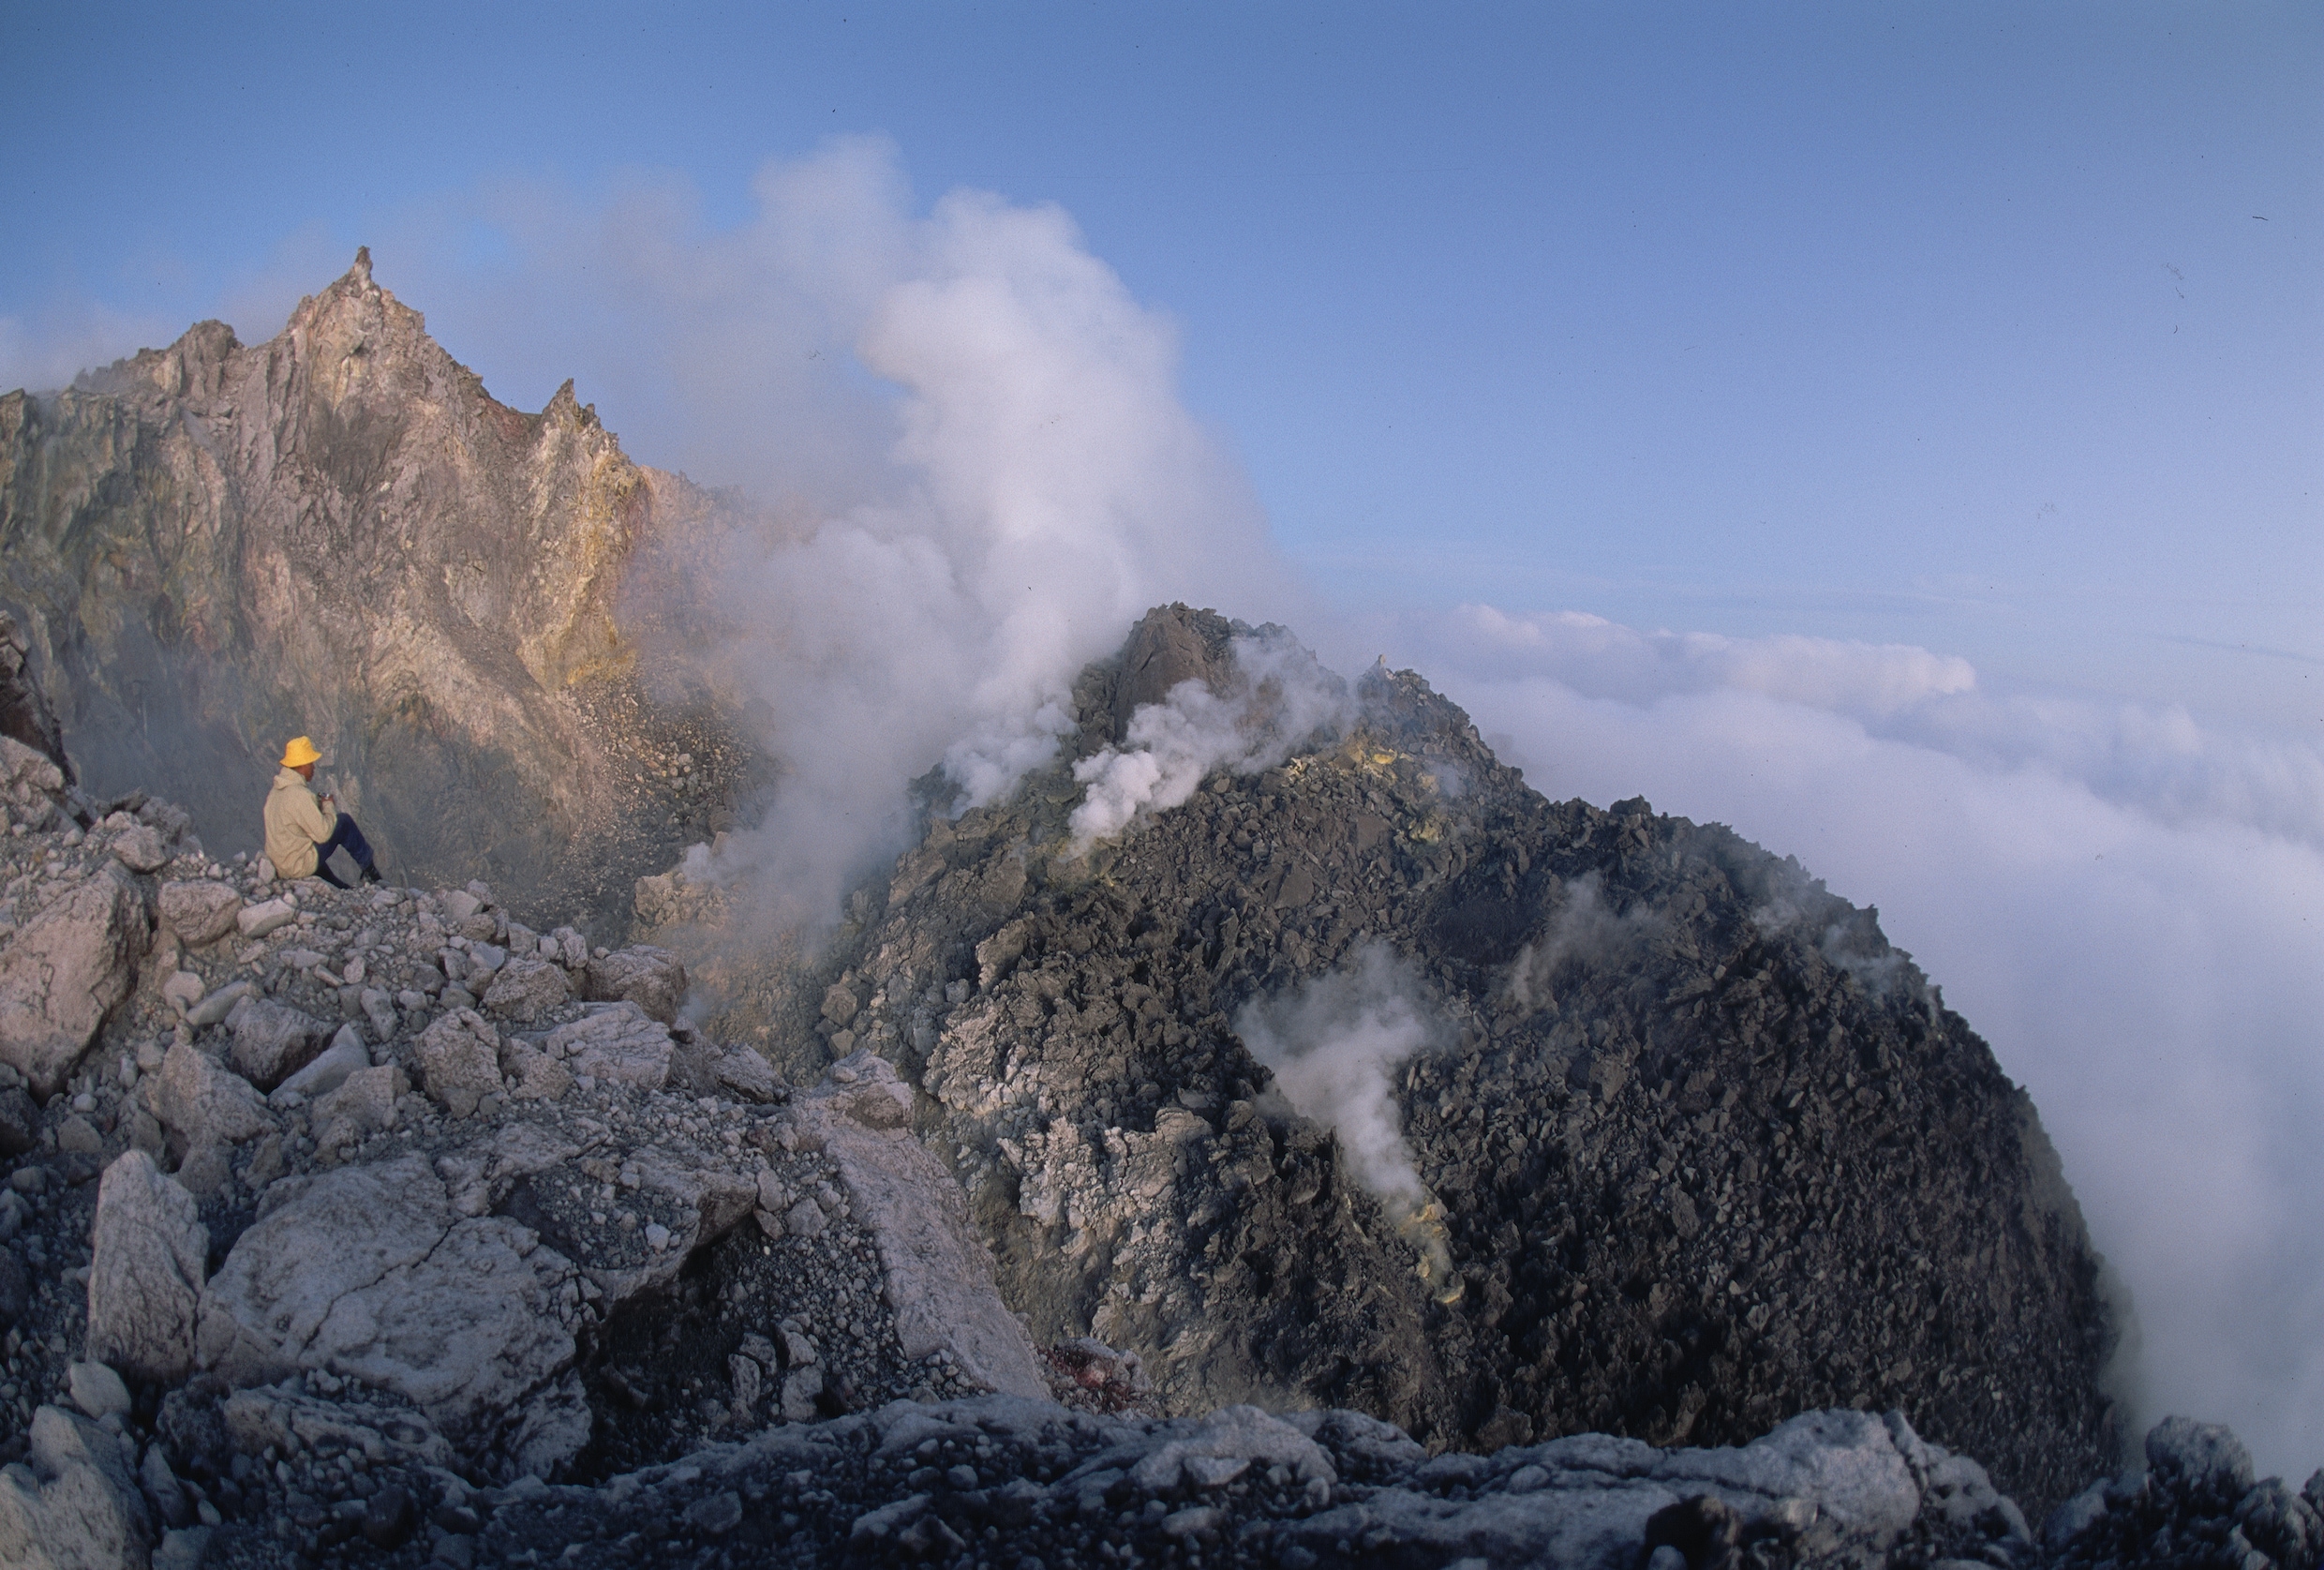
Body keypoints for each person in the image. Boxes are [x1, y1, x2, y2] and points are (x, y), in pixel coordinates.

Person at [264, 736, 380, 888]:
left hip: (282, 864)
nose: (313, 767)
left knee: (317, 862)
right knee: (343, 823)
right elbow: (324, 834)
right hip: (296, 866)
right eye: (311, 763)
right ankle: (371, 872)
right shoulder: (300, 795)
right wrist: (327, 806)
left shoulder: (276, 792)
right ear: (303, 765)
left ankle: (343, 889)